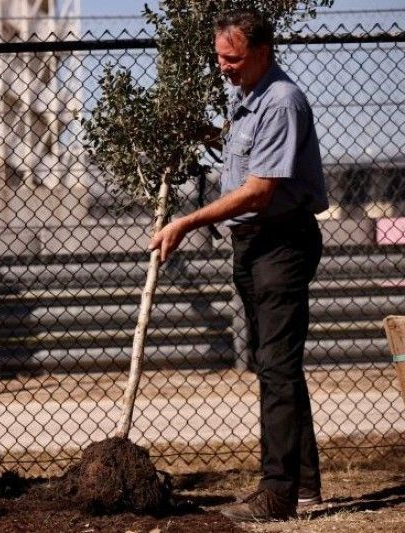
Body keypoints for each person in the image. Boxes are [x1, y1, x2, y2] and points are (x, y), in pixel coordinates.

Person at [149, 9, 327, 522]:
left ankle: (277, 494)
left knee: (276, 366)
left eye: (232, 58)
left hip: (281, 244)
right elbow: (243, 155)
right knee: (277, 364)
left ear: (262, 52)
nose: (223, 66)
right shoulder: (246, 97)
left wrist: (188, 221)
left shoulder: (282, 101)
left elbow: (260, 190)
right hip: (251, 245)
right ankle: (304, 485)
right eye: (219, 57)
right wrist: (200, 133)